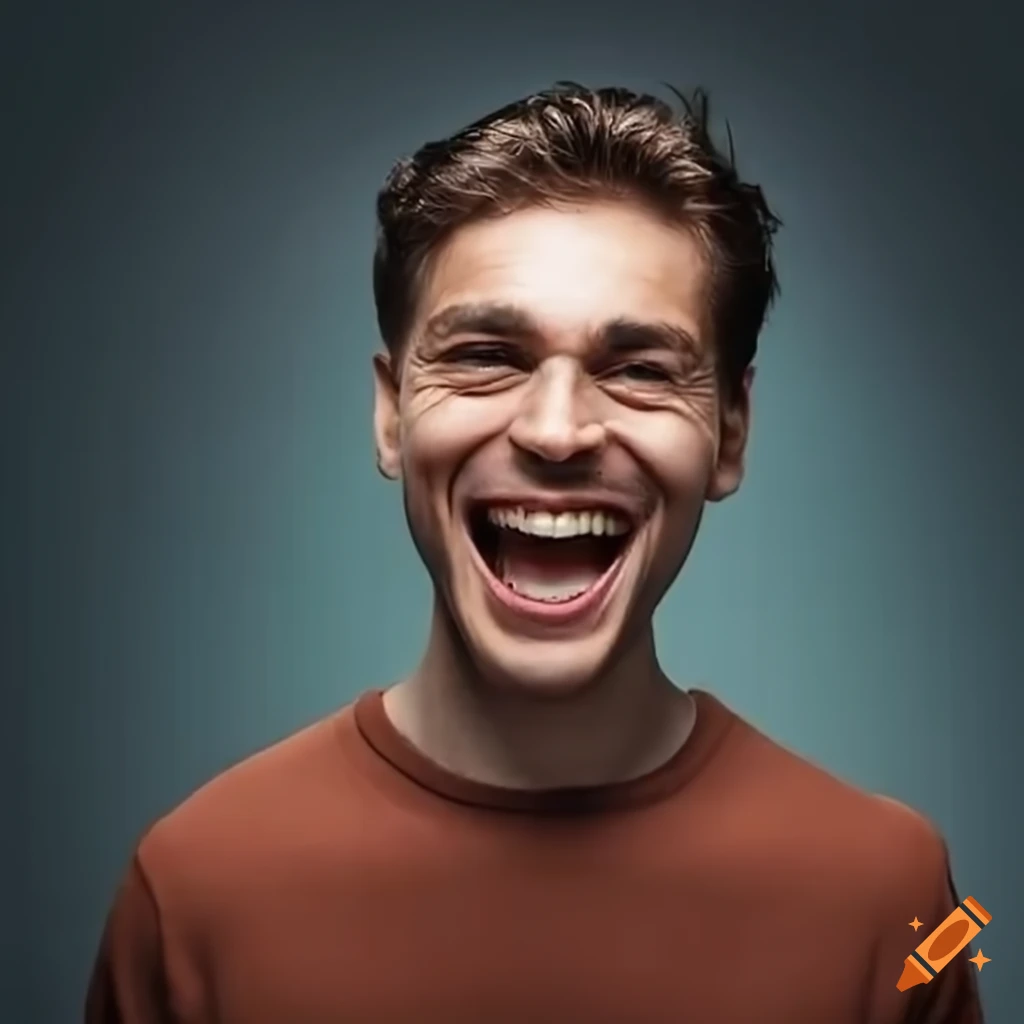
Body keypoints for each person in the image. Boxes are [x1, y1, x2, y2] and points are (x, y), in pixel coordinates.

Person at [86, 82, 984, 1023]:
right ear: (392, 414)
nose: (557, 432)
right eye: (485, 356)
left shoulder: (896, 904)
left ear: (729, 434)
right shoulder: (194, 891)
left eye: (639, 369)